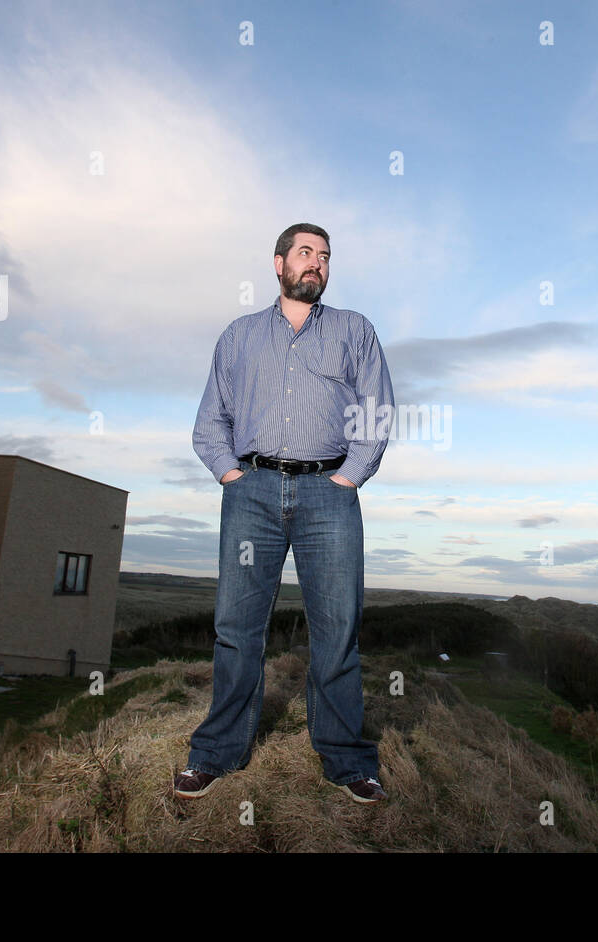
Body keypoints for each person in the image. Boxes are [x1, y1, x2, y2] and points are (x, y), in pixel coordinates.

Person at [174, 223, 395, 804]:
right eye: (305, 253)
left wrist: (349, 478)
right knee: (236, 628)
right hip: (253, 492)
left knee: (338, 630)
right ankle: (216, 752)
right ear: (278, 264)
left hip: (329, 493)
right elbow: (209, 421)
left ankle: (348, 760)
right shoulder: (239, 336)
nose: (316, 264)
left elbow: (376, 411)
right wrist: (232, 475)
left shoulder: (355, 331)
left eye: (324, 257)